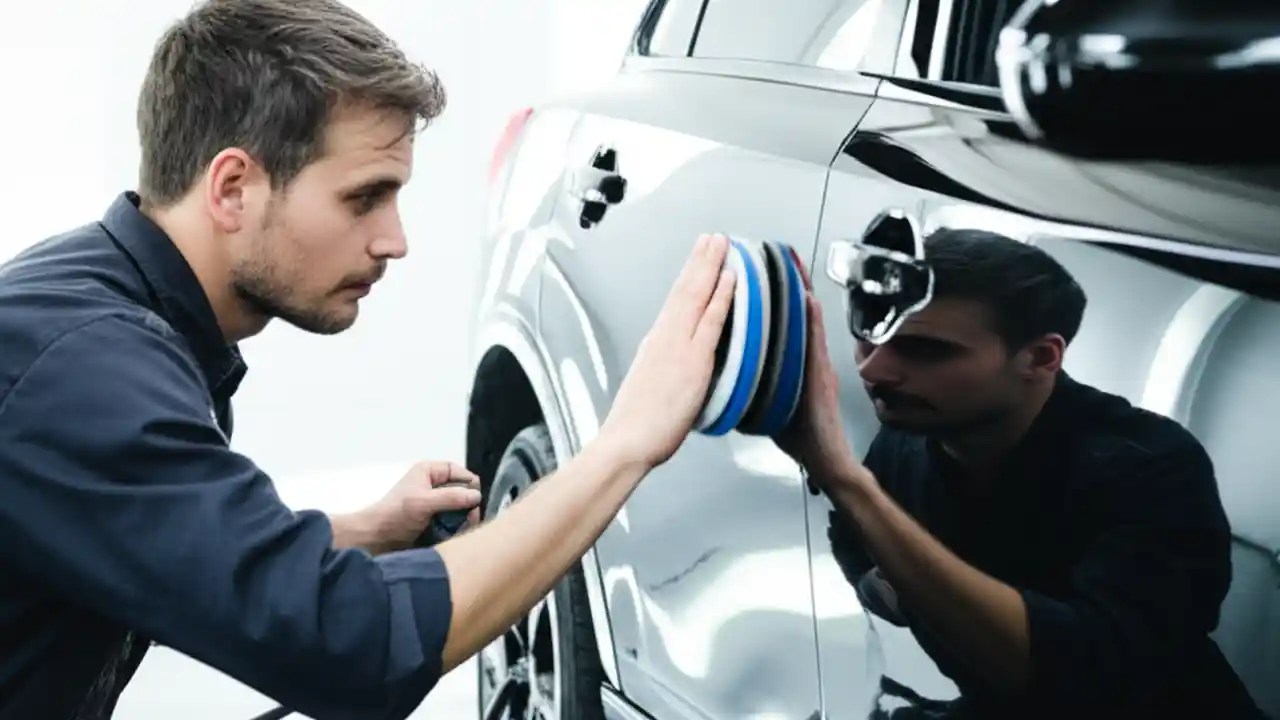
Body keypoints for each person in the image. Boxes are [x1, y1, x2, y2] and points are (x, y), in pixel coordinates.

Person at [0, 1, 737, 718]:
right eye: (364, 198)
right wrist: (623, 444)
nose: (395, 240)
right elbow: (347, 646)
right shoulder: (81, 371)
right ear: (232, 189)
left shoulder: (94, 315)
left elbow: (171, 541)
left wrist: (363, 532)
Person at [777, 229, 1263, 718]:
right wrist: (888, 590)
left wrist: (843, 478)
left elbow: (1083, 678)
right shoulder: (910, 437)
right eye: (871, 338)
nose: (874, 370)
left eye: (924, 350)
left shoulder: (1153, 468)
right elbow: (854, 535)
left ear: (1040, 356)